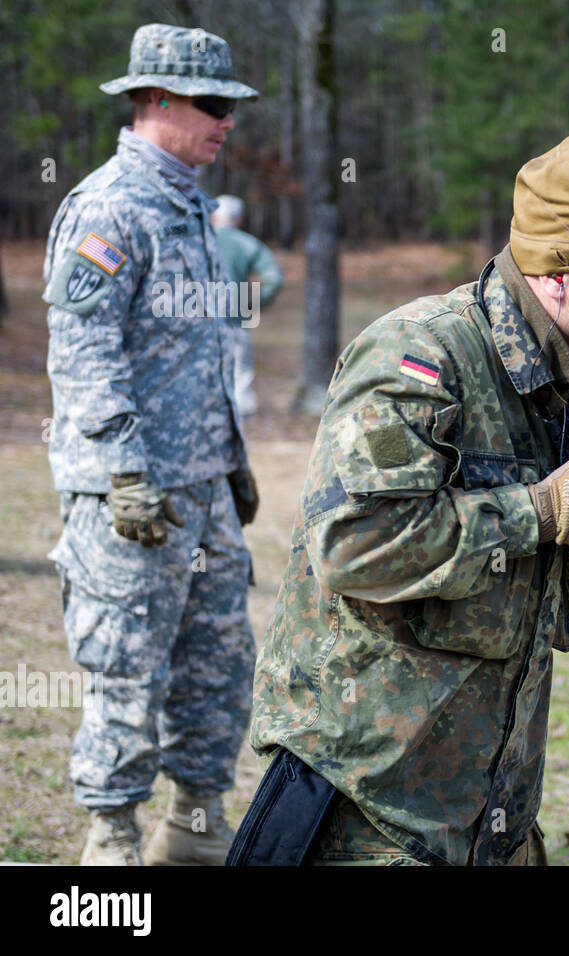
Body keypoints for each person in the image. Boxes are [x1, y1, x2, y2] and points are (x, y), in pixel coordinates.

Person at [230, 136, 569, 866]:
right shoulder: (421, 357)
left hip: (492, 812)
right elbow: (353, 545)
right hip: (365, 810)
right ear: (555, 275)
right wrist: (542, 512)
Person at [42, 23, 261, 865]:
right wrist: (125, 470)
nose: (226, 122)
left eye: (231, 106)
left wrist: (230, 462)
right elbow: (85, 349)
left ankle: (195, 829)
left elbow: (198, 354)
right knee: (127, 668)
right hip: (128, 495)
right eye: (211, 105)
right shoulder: (109, 206)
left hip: (199, 490)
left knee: (214, 667)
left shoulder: (190, 206)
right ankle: (113, 839)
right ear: (156, 101)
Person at [212, 195, 284, 417]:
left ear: (213, 216)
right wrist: (251, 304)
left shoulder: (197, 240)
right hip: (236, 322)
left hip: (196, 323)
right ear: (239, 219)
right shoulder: (249, 244)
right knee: (240, 380)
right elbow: (274, 280)